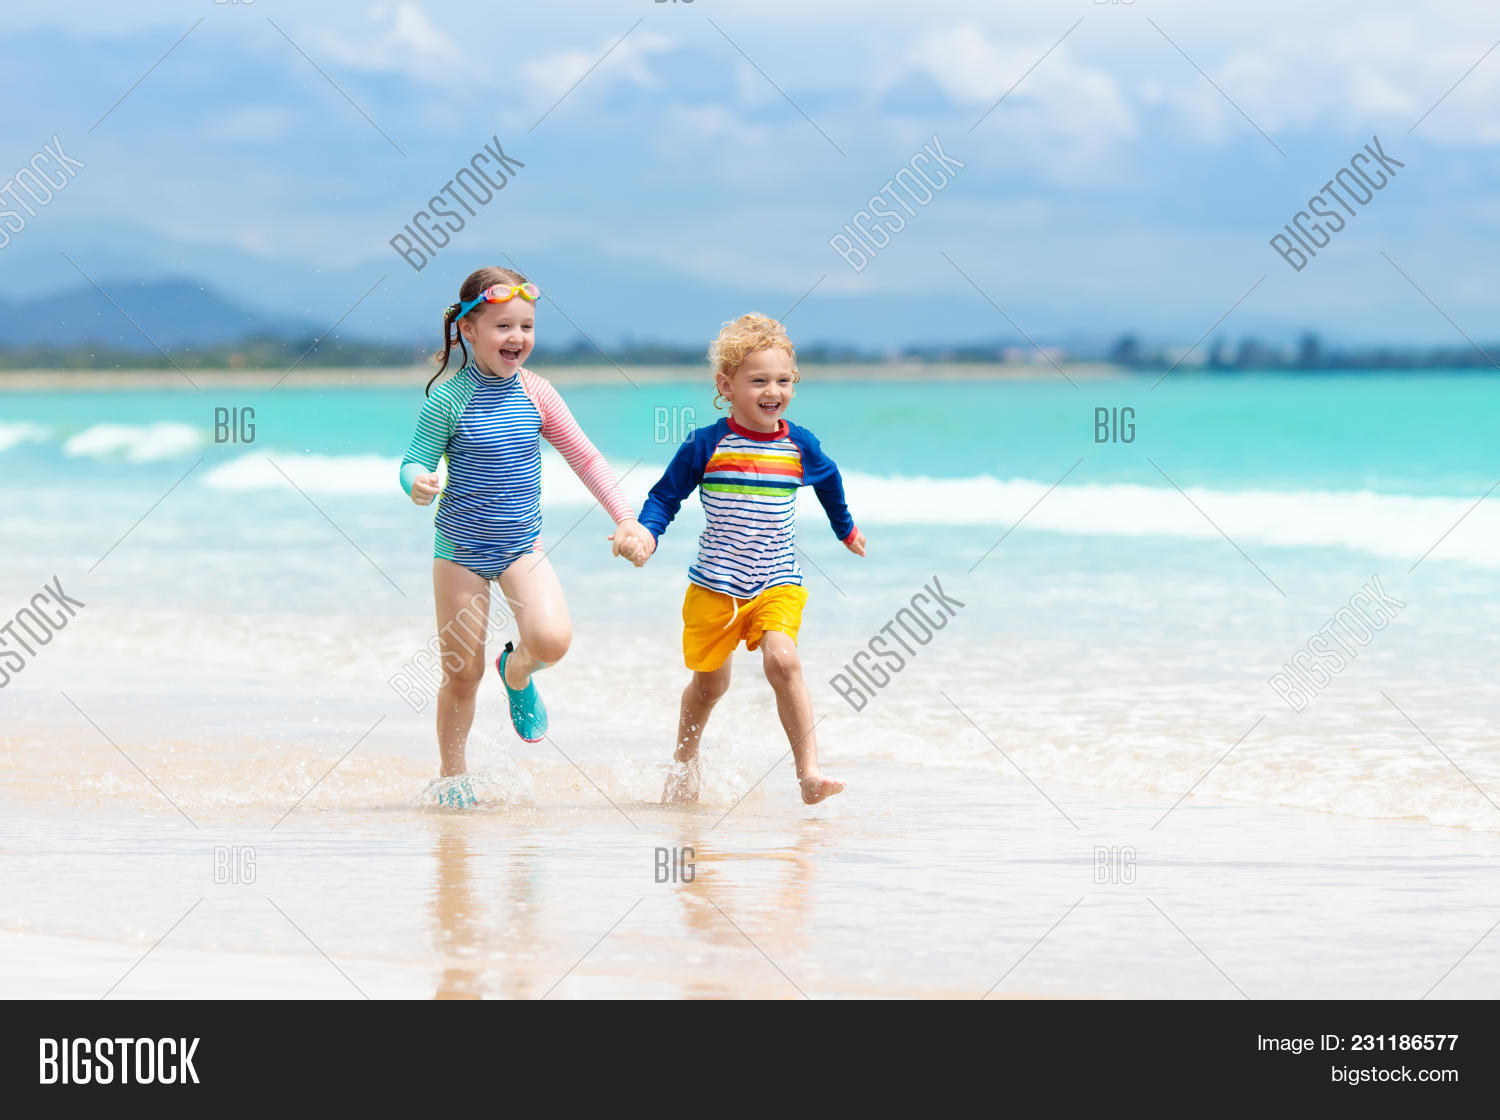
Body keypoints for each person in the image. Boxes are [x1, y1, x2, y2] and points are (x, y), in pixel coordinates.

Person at [400, 266, 652, 807]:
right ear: (469, 330)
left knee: (552, 640)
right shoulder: (448, 399)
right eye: (503, 326)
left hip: (521, 547)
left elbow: (586, 457)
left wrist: (625, 517)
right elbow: (413, 460)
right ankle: (453, 778)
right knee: (461, 674)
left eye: (527, 326)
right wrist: (417, 482)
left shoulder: (537, 393)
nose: (517, 337)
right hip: (460, 553)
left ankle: (516, 673)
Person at [633, 313, 865, 806]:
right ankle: (684, 764)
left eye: (784, 380)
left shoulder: (799, 443)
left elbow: (829, 480)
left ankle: (809, 773)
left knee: (784, 661)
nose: (772, 391)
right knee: (709, 686)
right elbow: (665, 497)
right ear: (727, 386)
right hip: (714, 586)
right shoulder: (705, 444)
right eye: (758, 380)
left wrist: (844, 528)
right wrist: (647, 534)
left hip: (777, 581)